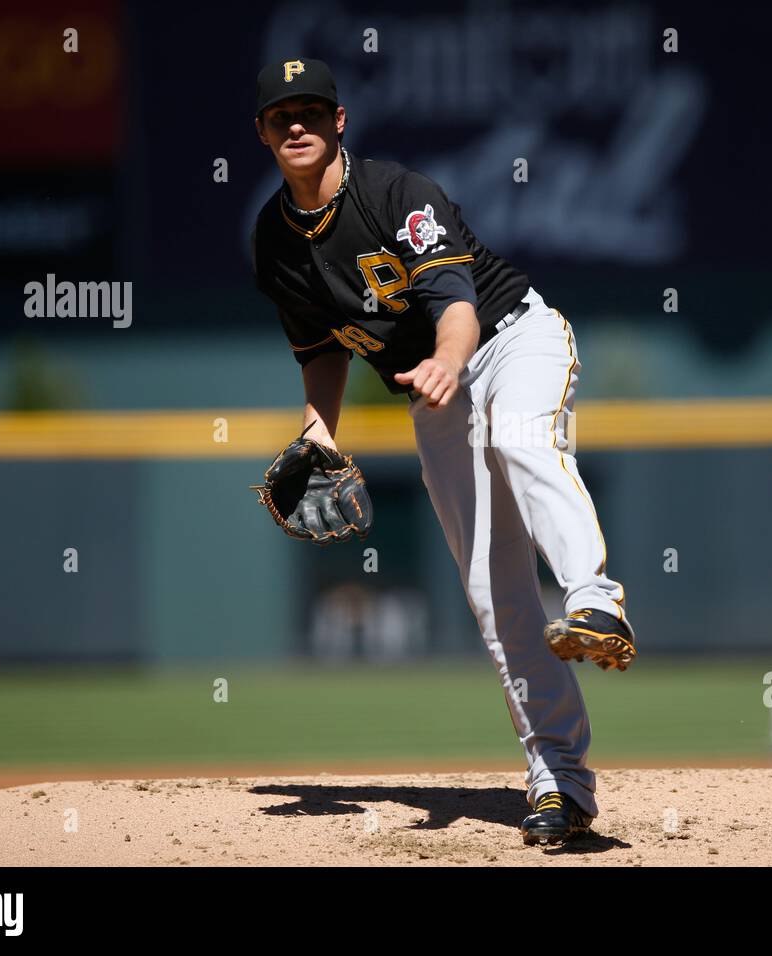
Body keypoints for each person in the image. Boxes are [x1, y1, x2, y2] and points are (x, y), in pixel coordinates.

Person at [249, 58, 635, 846]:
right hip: (433, 395)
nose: (298, 124)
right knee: (493, 593)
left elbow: (455, 304)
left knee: (525, 440)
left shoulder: (397, 193)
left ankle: (595, 597)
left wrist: (450, 362)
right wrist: (320, 429)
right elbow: (319, 348)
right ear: (262, 131)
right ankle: (559, 777)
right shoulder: (273, 239)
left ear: (340, 121)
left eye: (312, 111)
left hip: (507, 341)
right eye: (282, 114)